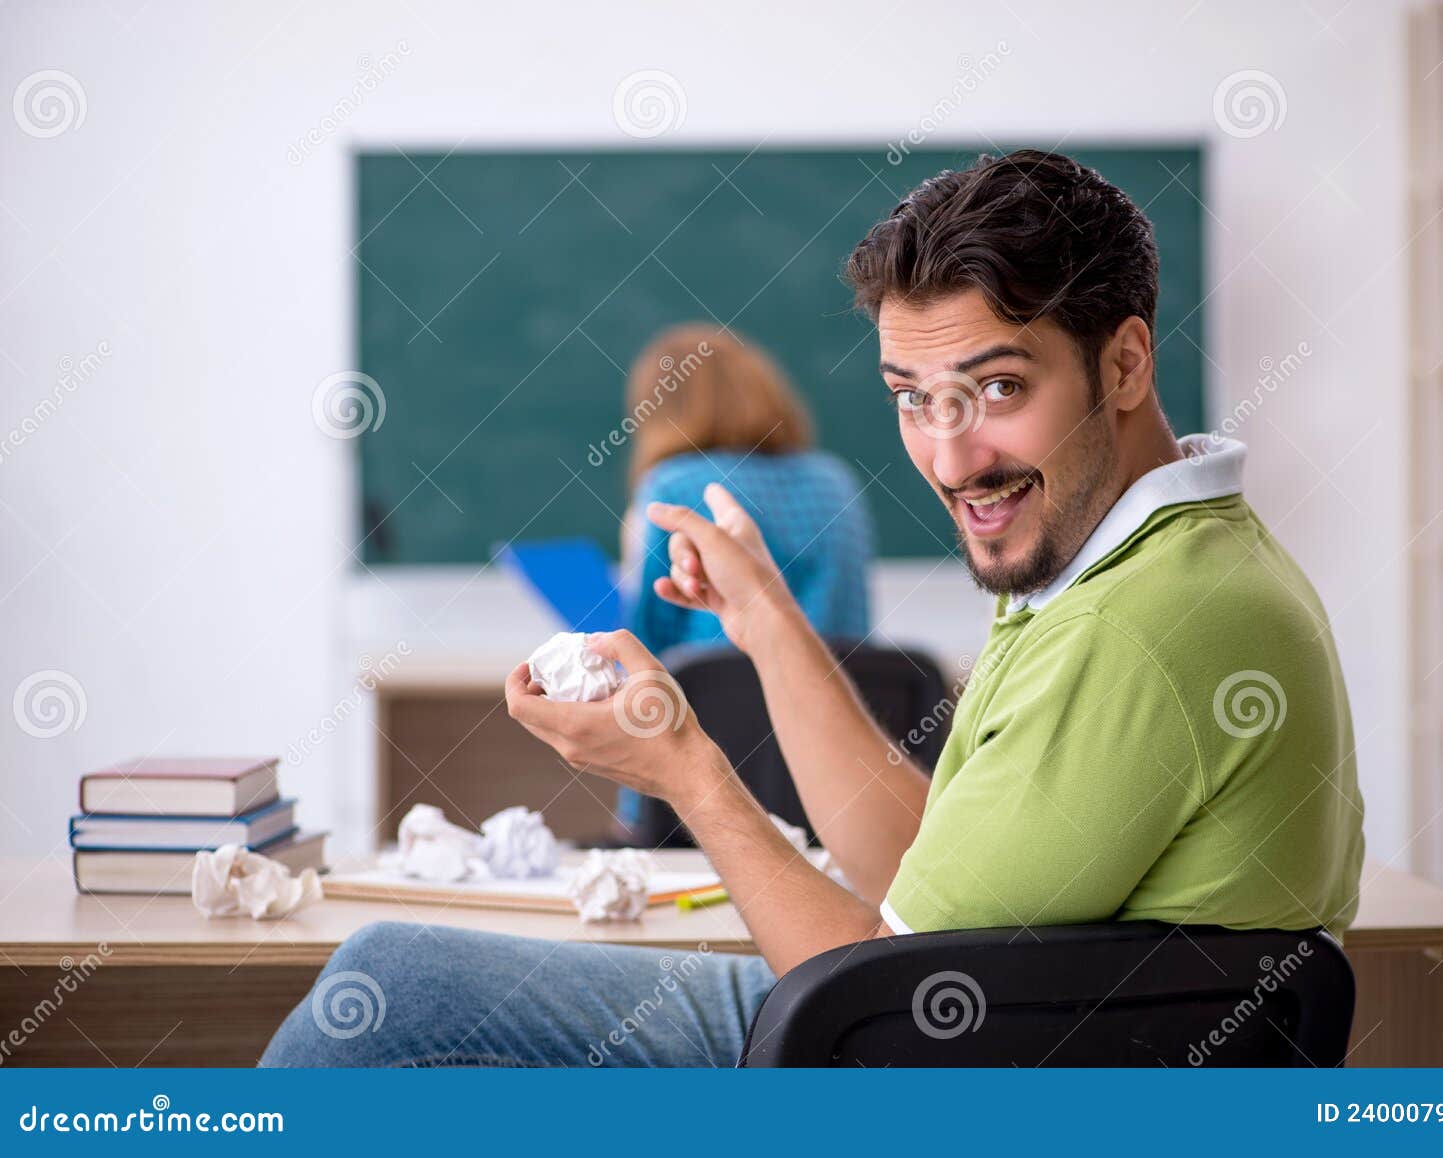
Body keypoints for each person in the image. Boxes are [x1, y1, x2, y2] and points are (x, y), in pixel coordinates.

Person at [262, 149, 1365, 1068]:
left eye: (997, 389)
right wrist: (765, 622)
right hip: (992, 1047)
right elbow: (923, 873)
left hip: (925, 1074)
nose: (949, 456)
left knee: (387, 979)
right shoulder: (1149, 570)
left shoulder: (1133, 626)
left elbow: (881, 997)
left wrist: (686, 764)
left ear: (1122, 363)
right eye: (910, 399)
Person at [613, 324, 874, 830]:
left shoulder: (669, 487)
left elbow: (641, 659)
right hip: (840, 775)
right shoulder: (836, 481)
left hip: (711, 786)